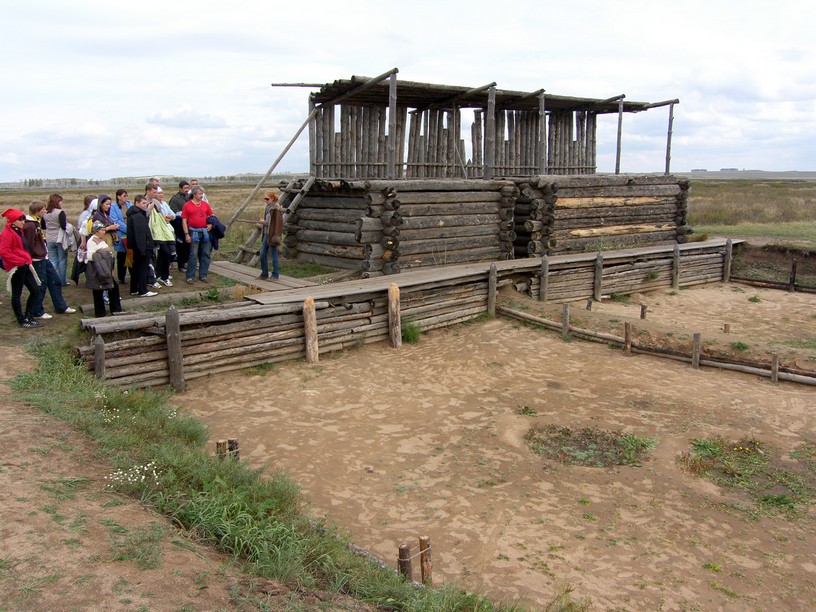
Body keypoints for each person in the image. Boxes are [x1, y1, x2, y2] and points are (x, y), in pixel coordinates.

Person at [23, 201, 76, 319]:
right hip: (37, 259)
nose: (45, 211)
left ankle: (60, 306)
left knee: (55, 281)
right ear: (37, 211)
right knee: (41, 284)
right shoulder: (30, 225)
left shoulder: (36, 222)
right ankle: (38, 311)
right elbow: (29, 244)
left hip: (44, 257)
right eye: (43, 210)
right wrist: (33, 256)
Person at [0, 209, 41, 328]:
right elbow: (4, 252)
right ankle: (21, 319)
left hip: (24, 264)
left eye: (23, 219)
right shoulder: (7, 234)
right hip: (16, 267)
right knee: (17, 293)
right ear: (13, 221)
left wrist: (24, 260)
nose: (23, 221)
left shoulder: (18, 231)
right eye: (20, 219)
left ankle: (29, 316)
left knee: (35, 290)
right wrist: (19, 261)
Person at [86, 221, 123, 317]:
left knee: (113, 287)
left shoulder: (101, 240)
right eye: (102, 230)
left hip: (107, 268)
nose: (104, 232)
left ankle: (116, 310)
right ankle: (100, 314)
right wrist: (103, 255)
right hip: (98, 270)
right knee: (98, 291)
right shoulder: (92, 241)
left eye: (104, 230)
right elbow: (90, 257)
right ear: (96, 231)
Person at [126, 195, 157, 297]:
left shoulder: (133, 214)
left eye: (146, 204)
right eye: (143, 203)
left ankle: (134, 289)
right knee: (142, 269)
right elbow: (140, 234)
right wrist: (143, 249)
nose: (145, 206)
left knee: (135, 269)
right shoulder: (138, 216)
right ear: (137, 203)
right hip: (142, 247)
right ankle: (143, 290)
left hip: (135, 247)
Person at [181, 186, 214, 284]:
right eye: (199, 194)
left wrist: (211, 224)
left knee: (206, 253)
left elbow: (211, 215)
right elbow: (184, 220)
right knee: (193, 254)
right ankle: (190, 276)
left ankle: (203, 275)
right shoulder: (187, 205)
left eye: (202, 194)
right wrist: (186, 234)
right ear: (194, 194)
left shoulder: (205, 205)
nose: (201, 195)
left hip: (205, 232)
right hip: (193, 232)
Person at [149, 187, 176, 286]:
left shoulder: (164, 204)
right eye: (157, 192)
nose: (160, 194)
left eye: (161, 193)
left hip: (166, 231)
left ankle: (161, 275)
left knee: (165, 255)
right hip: (157, 234)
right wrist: (164, 217)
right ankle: (163, 276)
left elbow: (172, 215)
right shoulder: (151, 203)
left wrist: (170, 217)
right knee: (165, 253)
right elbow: (154, 219)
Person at [42, 193, 69, 285]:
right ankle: (62, 281)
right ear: (58, 202)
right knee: (62, 260)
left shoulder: (45, 213)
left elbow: (43, 226)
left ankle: (51, 280)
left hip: (49, 238)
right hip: (60, 238)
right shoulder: (60, 212)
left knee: (53, 260)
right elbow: (63, 226)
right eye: (61, 201)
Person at [258, 191, 283, 280]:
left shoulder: (276, 208)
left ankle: (275, 275)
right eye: (264, 198)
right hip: (266, 234)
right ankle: (264, 274)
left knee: (274, 255)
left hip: (272, 235)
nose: (265, 200)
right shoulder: (268, 207)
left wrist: (263, 222)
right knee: (262, 254)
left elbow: (275, 223)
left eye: (267, 199)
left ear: (272, 199)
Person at [168, 181, 191, 273]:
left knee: (188, 246)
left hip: (189, 225)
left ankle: (186, 262)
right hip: (179, 225)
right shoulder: (175, 199)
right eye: (185, 188)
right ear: (180, 188)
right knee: (180, 247)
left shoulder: (189, 197)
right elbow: (172, 212)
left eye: (187, 188)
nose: (187, 190)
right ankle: (180, 265)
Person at [111, 189, 129, 283]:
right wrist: (127, 229)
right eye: (124, 196)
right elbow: (115, 220)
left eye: (127, 195)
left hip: (130, 234)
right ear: (118, 196)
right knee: (121, 256)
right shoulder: (113, 207)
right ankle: (121, 277)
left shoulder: (129, 205)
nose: (126, 197)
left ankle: (131, 273)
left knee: (130, 254)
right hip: (120, 233)